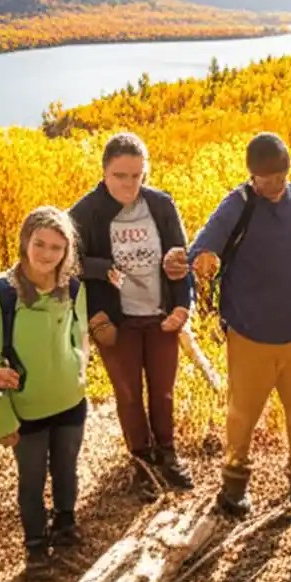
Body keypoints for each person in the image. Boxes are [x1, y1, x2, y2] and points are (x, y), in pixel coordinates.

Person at [189, 132, 291, 519]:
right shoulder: (238, 204)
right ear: (252, 175)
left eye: (280, 177)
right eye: (265, 180)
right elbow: (201, 248)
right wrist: (204, 260)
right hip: (249, 329)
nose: (274, 186)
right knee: (243, 413)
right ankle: (233, 488)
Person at [68, 132, 195, 501]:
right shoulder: (85, 212)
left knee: (163, 391)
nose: (128, 184)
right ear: (104, 172)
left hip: (159, 315)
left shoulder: (161, 205)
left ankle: (167, 454)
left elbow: (181, 258)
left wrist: (182, 305)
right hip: (115, 320)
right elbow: (65, 260)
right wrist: (101, 268)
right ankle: (141, 462)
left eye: (136, 175)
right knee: (128, 395)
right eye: (120, 175)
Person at [0, 207, 89, 576]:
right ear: (25, 241)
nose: (46, 254)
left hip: (69, 400)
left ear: (67, 250)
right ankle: (36, 547)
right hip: (26, 408)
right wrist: (1, 418)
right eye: (39, 243)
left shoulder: (72, 287)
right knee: (32, 479)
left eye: (57, 247)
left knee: (66, 469)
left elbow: (80, 336)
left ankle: (65, 525)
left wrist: (80, 372)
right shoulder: (2, 294)